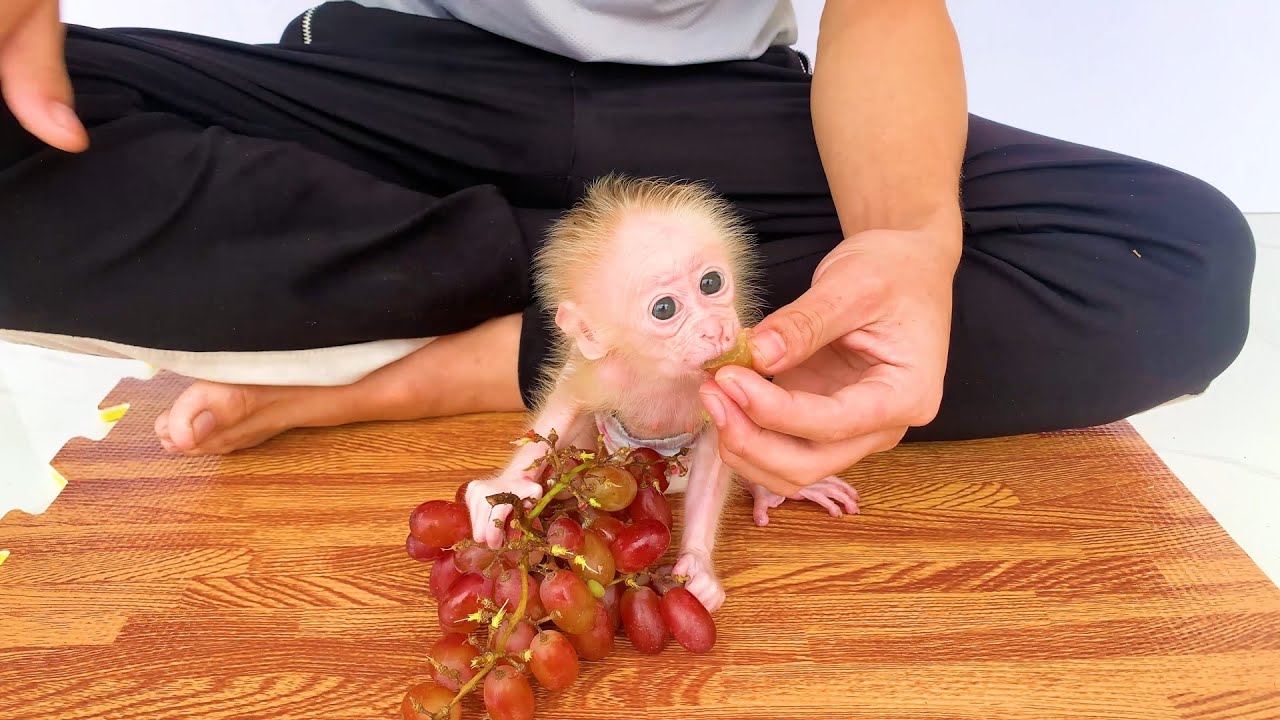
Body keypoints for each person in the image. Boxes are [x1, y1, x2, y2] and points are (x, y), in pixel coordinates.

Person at [0, 0, 1254, 498]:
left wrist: (908, 242)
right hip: (393, 82)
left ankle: (425, 358)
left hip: (710, 110)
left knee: (1173, 264)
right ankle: (620, 300)